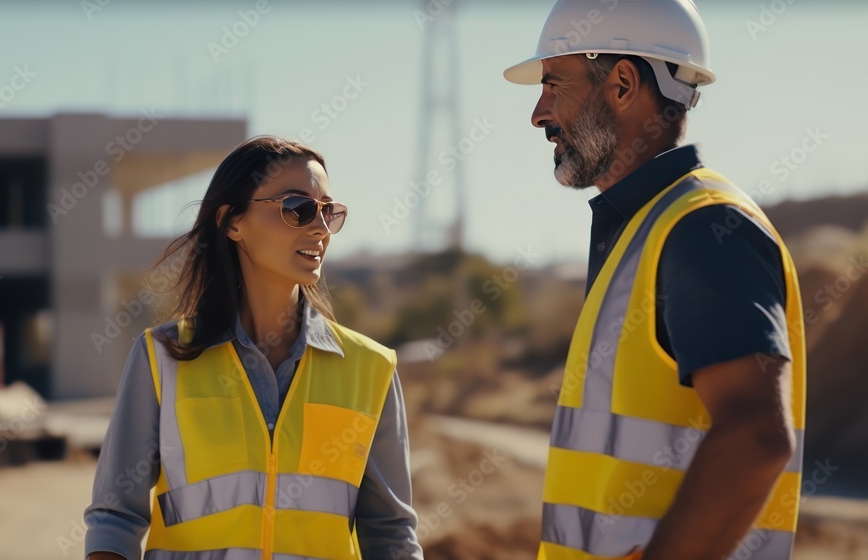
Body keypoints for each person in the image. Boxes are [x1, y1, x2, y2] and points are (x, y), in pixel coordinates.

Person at [503, 1, 806, 559]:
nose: (538, 113)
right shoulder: (648, 229)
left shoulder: (703, 226)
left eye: (553, 84)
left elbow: (757, 437)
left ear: (622, 83)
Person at [83, 136, 423, 560]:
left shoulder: (371, 369)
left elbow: (391, 535)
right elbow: (115, 519)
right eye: (297, 208)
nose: (319, 228)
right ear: (232, 221)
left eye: (327, 212)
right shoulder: (162, 358)